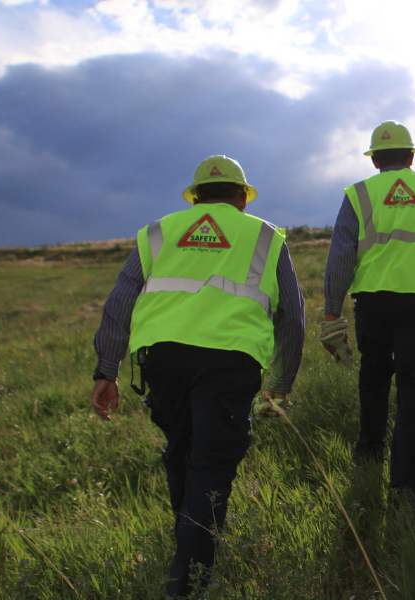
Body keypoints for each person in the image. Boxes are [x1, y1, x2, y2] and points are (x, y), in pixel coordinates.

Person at [89, 155, 305, 597]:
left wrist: (106, 369)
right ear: (242, 197)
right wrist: (280, 383)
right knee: (209, 467)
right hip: (230, 361)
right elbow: (293, 317)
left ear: (195, 198)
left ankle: (186, 550)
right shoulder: (264, 235)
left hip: (163, 361)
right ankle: (188, 585)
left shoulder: (159, 232)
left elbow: (119, 301)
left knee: (183, 453)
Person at [322, 120, 415, 506]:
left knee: (374, 376)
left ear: (375, 161)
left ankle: (368, 455)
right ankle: (409, 485)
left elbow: (341, 254)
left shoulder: (359, 195)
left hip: (374, 303)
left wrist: (332, 312)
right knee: (414, 386)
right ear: (411, 157)